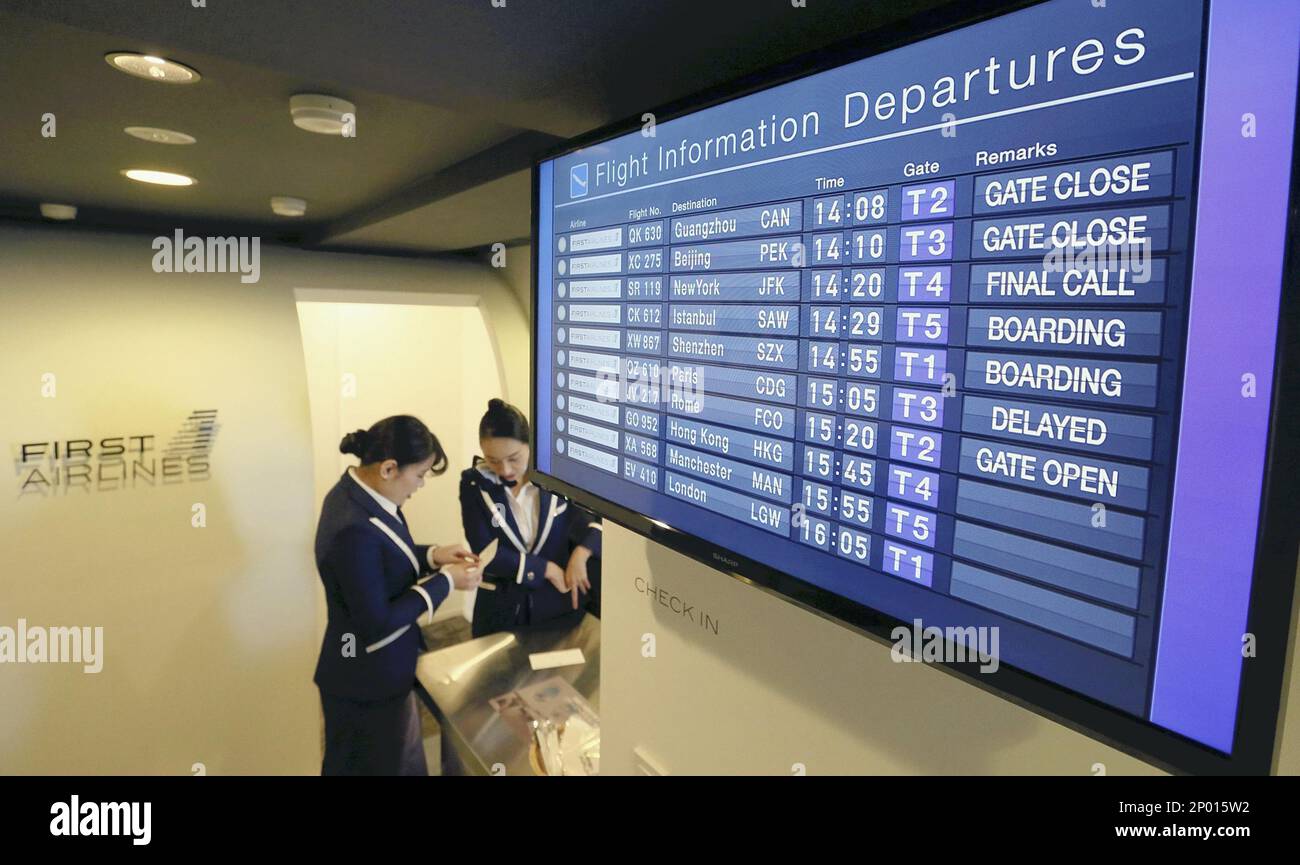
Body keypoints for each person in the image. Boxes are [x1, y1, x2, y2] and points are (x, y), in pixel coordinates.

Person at [313, 415, 481, 775]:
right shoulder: (352, 528)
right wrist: (446, 583)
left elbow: (382, 560)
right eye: (419, 475)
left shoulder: (357, 493)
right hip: (366, 680)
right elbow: (377, 622)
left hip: (382, 670)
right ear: (389, 468)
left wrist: (433, 555)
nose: (420, 485)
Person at [460, 398, 602, 638]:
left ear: (531, 444)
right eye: (493, 460)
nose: (504, 469)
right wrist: (544, 568)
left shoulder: (559, 474)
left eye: (514, 458)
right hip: (501, 608)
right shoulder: (474, 484)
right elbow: (485, 551)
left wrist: (581, 553)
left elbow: (596, 520)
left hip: (557, 604)